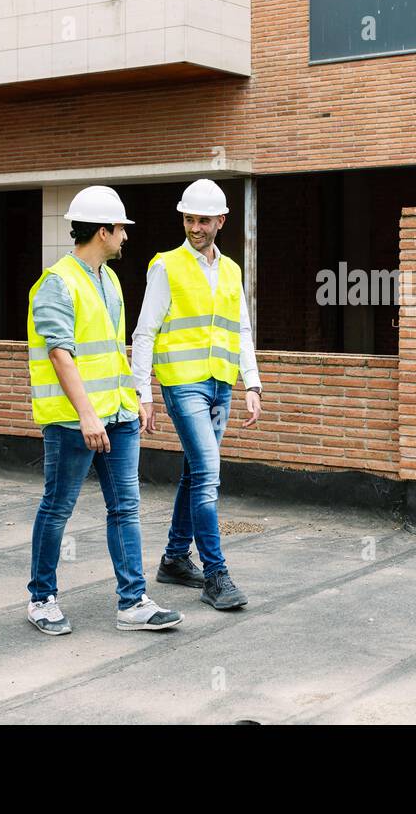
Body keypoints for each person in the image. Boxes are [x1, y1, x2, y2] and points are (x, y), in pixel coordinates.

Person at [25, 185, 183, 635]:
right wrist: (87, 415)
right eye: (121, 230)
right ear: (102, 231)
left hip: (119, 416)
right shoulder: (57, 282)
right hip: (73, 422)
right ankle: (41, 598)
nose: (126, 238)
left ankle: (132, 603)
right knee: (58, 507)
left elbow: (114, 350)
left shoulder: (109, 280)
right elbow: (60, 354)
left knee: (126, 508)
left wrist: (135, 398)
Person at [131, 178, 263, 611]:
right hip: (182, 384)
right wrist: (143, 391)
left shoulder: (230, 270)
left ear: (220, 221)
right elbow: (145, 331)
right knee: (208, 474)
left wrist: (252, 382)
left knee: (194, 473)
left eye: (203, 220)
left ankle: (173, 559)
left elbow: (241, 328)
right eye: (189, 219)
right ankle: (216, 575)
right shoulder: (165, 266)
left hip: (220, 383)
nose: (194, 227)